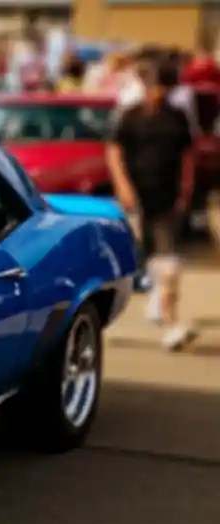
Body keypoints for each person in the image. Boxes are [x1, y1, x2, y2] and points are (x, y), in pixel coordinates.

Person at [107, 62, 198, 351]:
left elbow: (188, 153)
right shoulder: (130, 117)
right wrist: (122, 186)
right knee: (142, 258)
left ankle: (170, 322)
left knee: (168, 262)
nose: (158, 93)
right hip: (137, 194)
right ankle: (155, 307)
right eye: (153, 87)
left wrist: (187, 185)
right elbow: (114, 151)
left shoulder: (178, 116)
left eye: (162, 87)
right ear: (145, 88)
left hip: (167, 195)